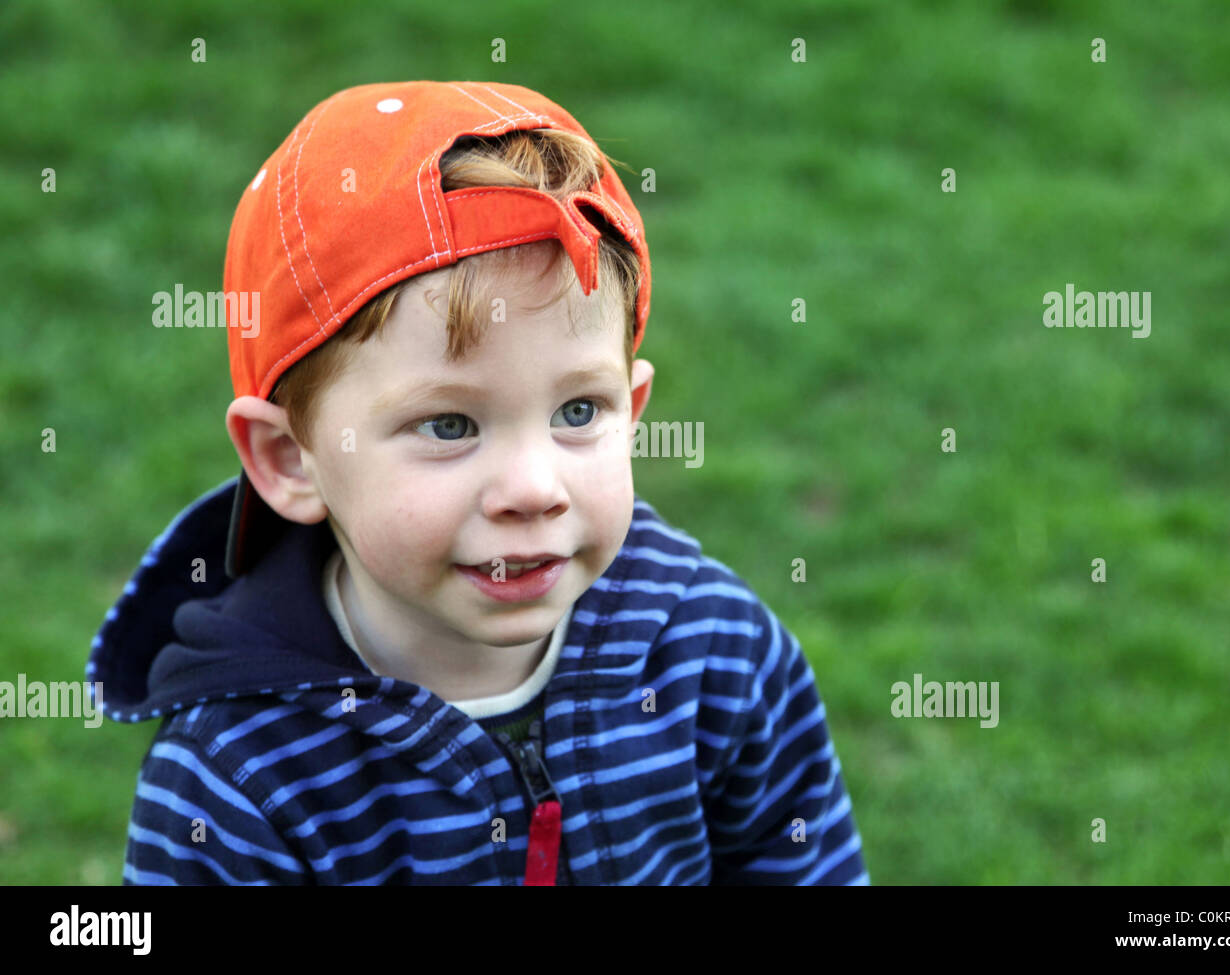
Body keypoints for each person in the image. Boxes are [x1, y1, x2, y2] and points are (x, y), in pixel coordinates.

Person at [89, 80, 868, 885]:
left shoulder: (712, 655)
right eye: (450, 426)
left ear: (631, 410)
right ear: (291, 459)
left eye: (577, 410)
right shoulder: (235, 777)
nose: (535, 488)